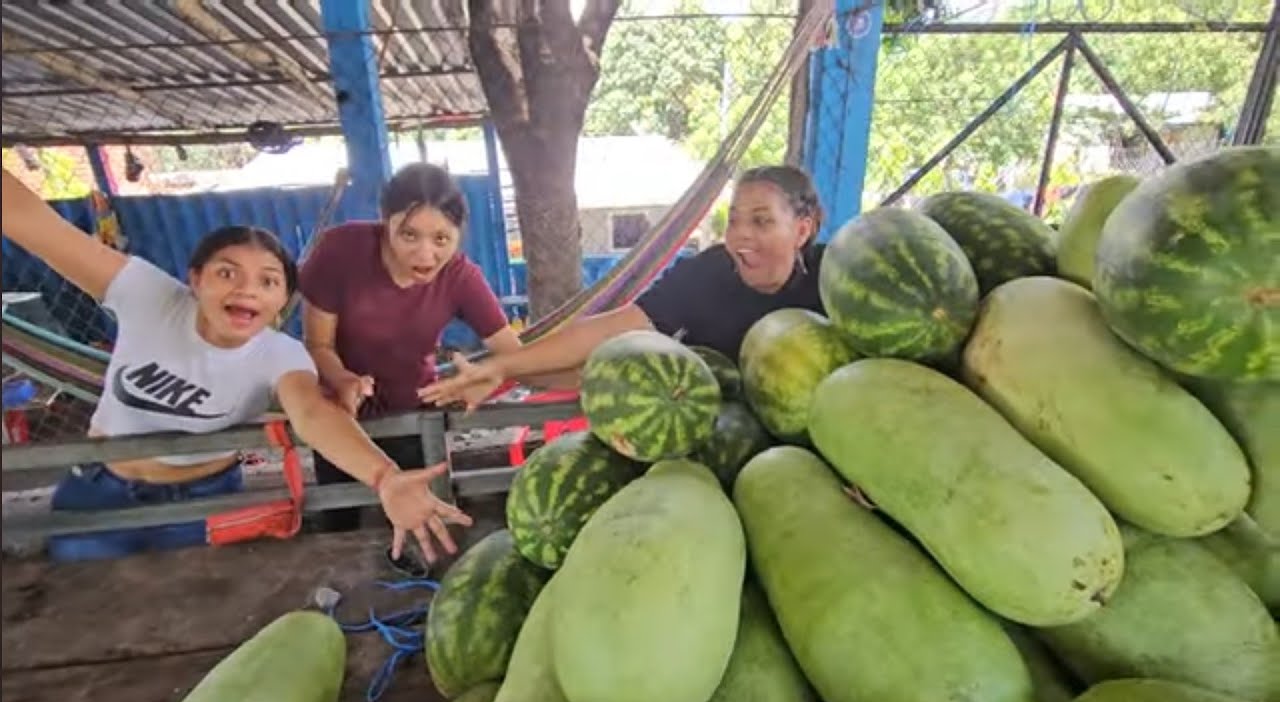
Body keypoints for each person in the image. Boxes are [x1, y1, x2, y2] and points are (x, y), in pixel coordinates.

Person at [0, 168, 471, 565]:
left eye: (268, 281)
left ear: (282, 300)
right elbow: (37, 225)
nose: (247, 290)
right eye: (227, 273)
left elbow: (314, 414)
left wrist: (385, 478)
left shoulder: (281, 355)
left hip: (206, 500)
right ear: (195, 279)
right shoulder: (148, 295)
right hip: (97, 493)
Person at [419, 164, 826, 408]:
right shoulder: (706, 274)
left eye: (761, 221)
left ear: (802, 230)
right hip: (707, 431)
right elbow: (611, 329)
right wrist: (502, 367)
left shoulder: (831, 281)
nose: (740, 235)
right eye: (734, 220)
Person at [298, 162, 525, 535]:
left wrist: (490, 378)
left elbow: (515, 355)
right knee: (341, 526)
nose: (425, 255)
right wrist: (341, 379)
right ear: (384, 220)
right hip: (339, 418)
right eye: (409, 235)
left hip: (414, 415)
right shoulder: (341, 251)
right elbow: (317, 344)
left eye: (441, 239)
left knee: (421, 524)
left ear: (459, 235)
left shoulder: (461, 277)